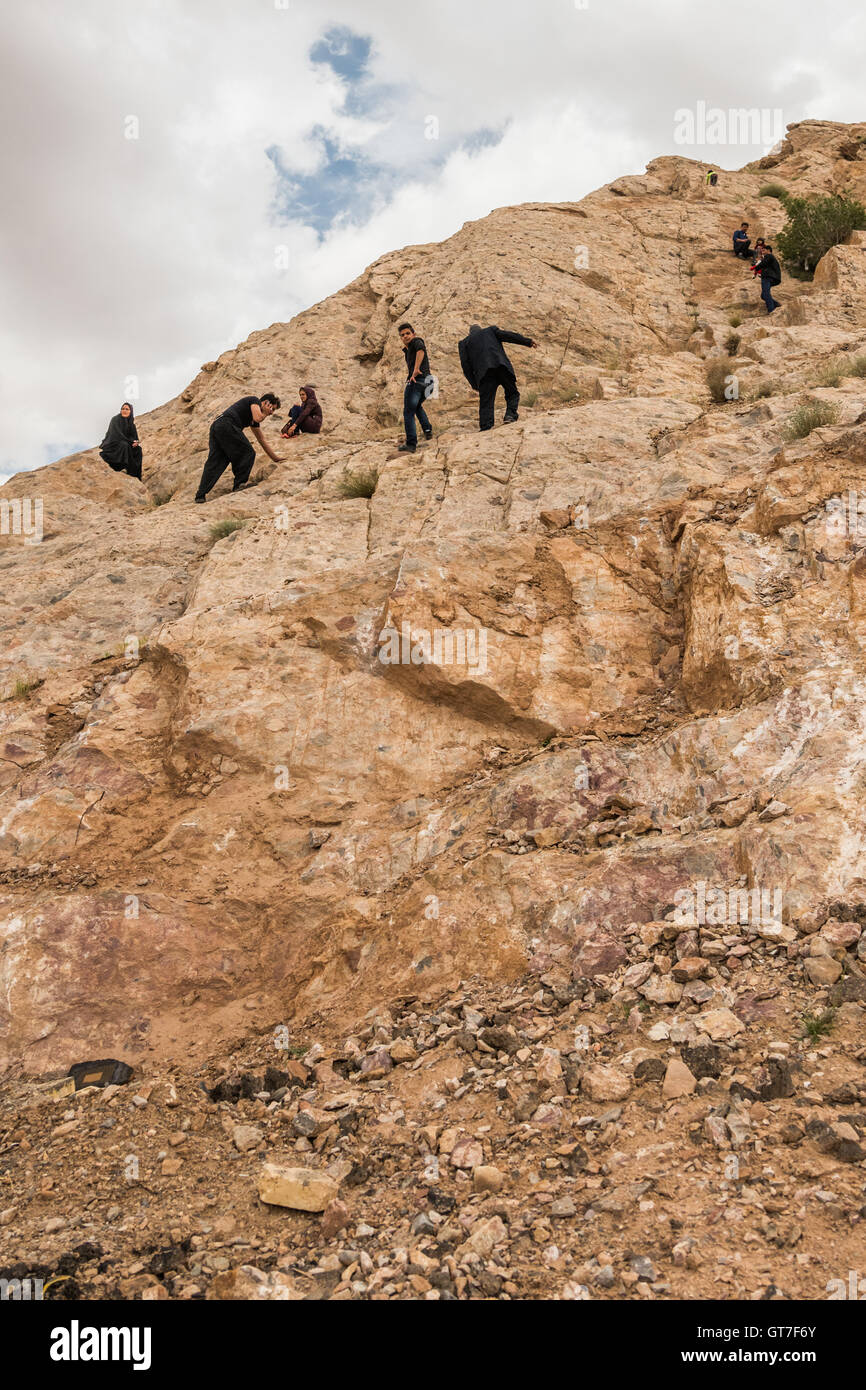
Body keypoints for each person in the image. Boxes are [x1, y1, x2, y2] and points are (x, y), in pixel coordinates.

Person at [194, 392, 283, 502]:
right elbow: (258, 417)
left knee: (218, 461)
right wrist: (264, 413)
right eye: (272, 409)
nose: (271, 412)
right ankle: (240, 484)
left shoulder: (253, 419)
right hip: (226, 423)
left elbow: (261, 439)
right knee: (248, 452)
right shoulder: (254, 400)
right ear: (266, 403)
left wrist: (275, 458)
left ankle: (200, 495)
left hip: (217, 426)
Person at [458, 323, 537, 431]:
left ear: (470, 333)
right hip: (501, 366)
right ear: (481, 329)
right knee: (512, 392)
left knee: (486, 401)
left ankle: (486, 426)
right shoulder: (491, 330)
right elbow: (509, 336)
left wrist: (475, 384)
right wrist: (527, 341)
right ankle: (510, 415)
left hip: (484, 374)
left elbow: (465, 366)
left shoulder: (464, 343)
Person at [397, 323, 434, 453]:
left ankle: (411, 444)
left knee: (408, 412)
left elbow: (421, 350)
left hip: (419, 380)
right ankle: (427, 430)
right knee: (417, 407)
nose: (405, 336)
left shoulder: (416, 341)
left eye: (407, 333)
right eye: (402, 335)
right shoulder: (407, 351)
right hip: (428, 382)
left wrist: (416, 369)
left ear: (413, 334)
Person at [99, 402, 142, 480]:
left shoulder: (131, 424)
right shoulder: (115, 419)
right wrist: (130, 442)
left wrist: (136, 442)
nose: (124, 411)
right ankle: (121, 466)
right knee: (124, 445)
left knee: (138, 449)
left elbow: (135, 437)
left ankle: (134, 473)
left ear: (130, 411)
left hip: (126, 442)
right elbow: (117, 434)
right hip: (113, 443)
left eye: (127, 409)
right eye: (122, 409)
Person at [754, 244, 782, 314]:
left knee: (766, 294)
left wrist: (756, 267)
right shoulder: (770, 258)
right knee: (763, 295)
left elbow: (763, 263)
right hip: (773, 278)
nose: (762, 252)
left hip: (768, 277)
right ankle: (776, 304)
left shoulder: (769, 256)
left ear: (768, 250)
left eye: (763, 250)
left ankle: (771, 310)